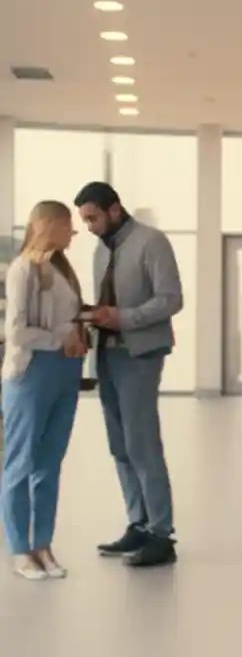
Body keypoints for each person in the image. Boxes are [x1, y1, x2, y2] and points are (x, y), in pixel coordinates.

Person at [74, 182, 184, 568]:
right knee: (119, 446)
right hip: (107, 354)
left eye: (92, 217)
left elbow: (171, 299)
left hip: (140, 355)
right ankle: (138, 523)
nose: (88, 226)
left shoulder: (152, 242)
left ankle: (161, 533)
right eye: (84, 220)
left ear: (114, 209)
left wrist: (122, 317)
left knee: (142, 444)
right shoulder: (100, 249)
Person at [2, 201, 88, 580]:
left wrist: (78, 332)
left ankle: (43, 546)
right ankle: (20, 550)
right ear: (47, 224)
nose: (74, 232)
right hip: (31, 373)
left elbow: (67, 318)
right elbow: (16, 332)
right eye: (68, 224)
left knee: (49, 464)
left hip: (66, 372)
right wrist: (61, 338)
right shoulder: (23, 270)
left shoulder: (62, 270)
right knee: (19, 465)